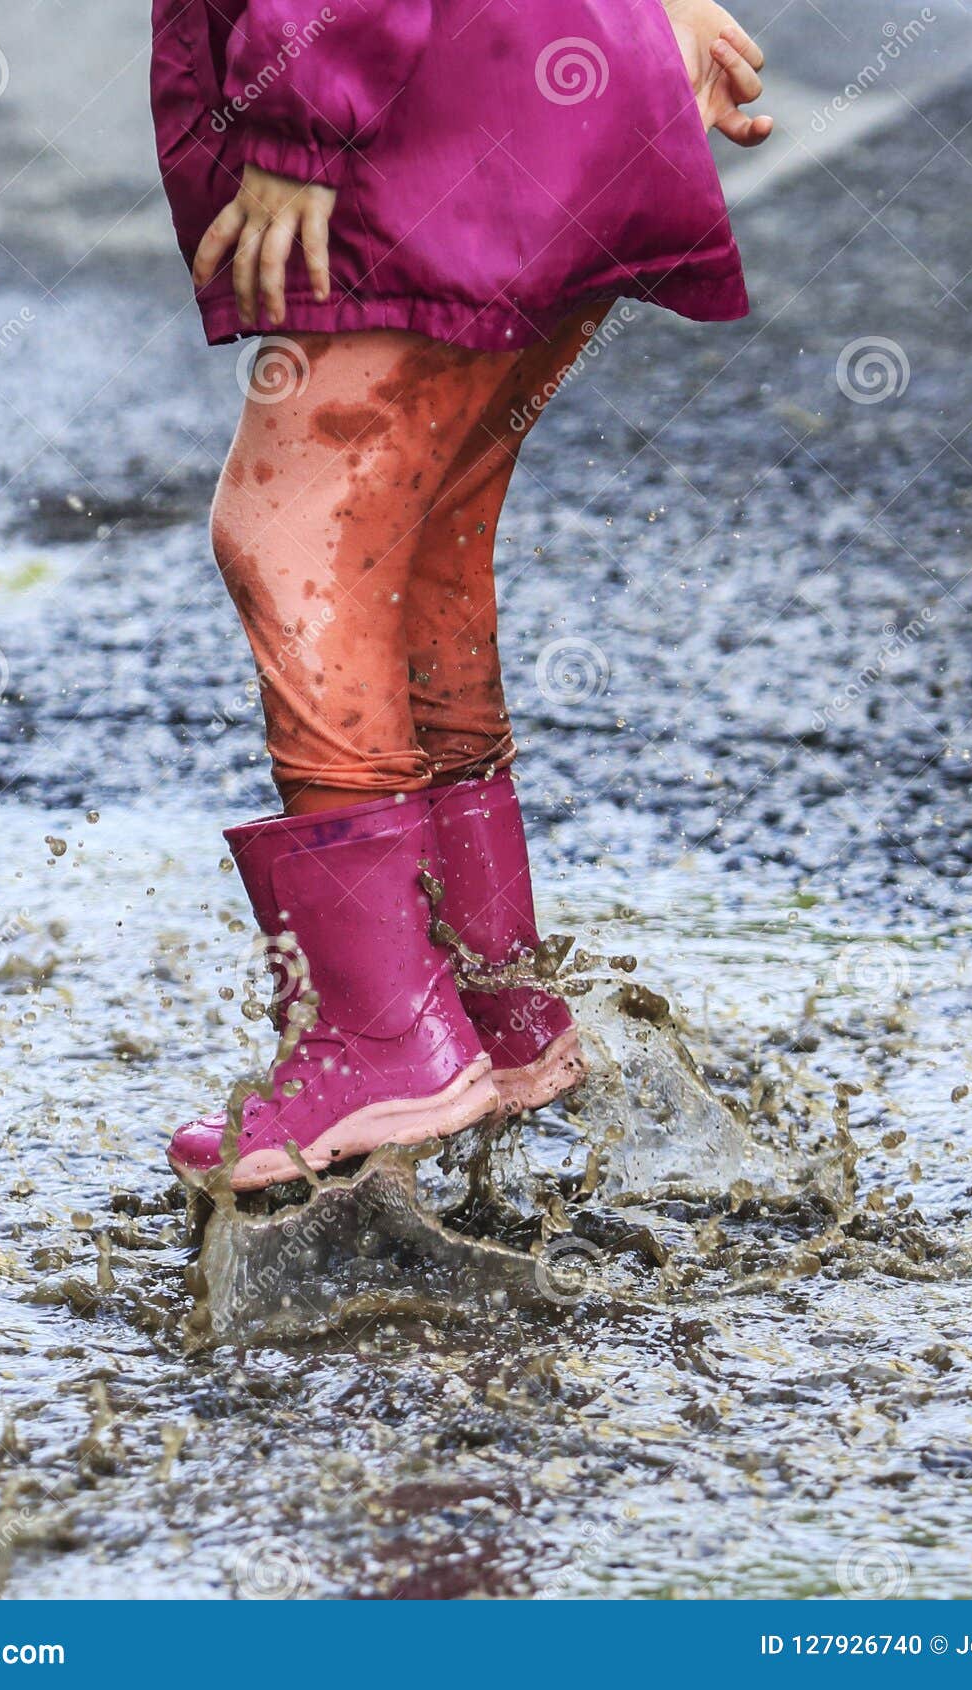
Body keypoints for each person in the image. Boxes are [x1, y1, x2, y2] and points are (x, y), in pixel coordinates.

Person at [150, 0, 771, 1190]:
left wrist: (300, 123)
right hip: (548, 93)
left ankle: (379, 1040)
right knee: (420, 535)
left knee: (290, 533)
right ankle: (489, 996)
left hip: (421, 117)